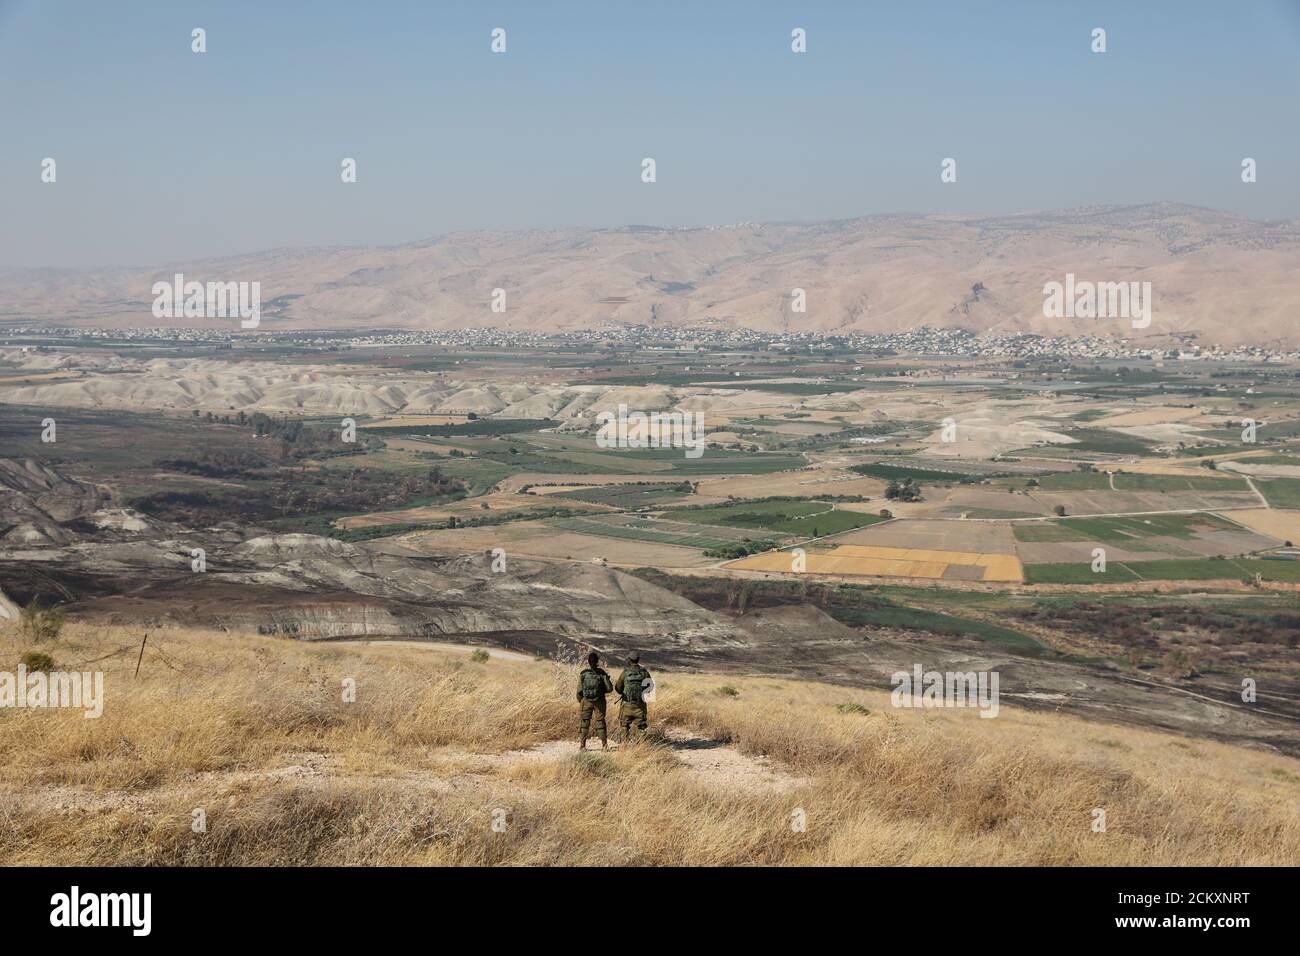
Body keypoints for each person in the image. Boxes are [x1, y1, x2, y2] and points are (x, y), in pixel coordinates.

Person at [576, 651, 614, 751]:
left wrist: (582, 701)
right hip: (600, 701)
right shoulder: (602, 673)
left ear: (588, 662)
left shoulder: (583, 674)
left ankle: (582, 746)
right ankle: (604, 746)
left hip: (586, 701)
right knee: (600, 722)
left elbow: (579, 691)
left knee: (584, 722)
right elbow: (610, 688)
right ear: (597, 662)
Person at [615, 652, 651, 742]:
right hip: (640, 706)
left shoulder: (625, 673)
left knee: (624, 726)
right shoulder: (645, 673)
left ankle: (624, 747)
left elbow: (618, 688)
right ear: (638, 660)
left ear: (629, 660)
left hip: (626, 705)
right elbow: (650, 688)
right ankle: (641, 748)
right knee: (642, 727)